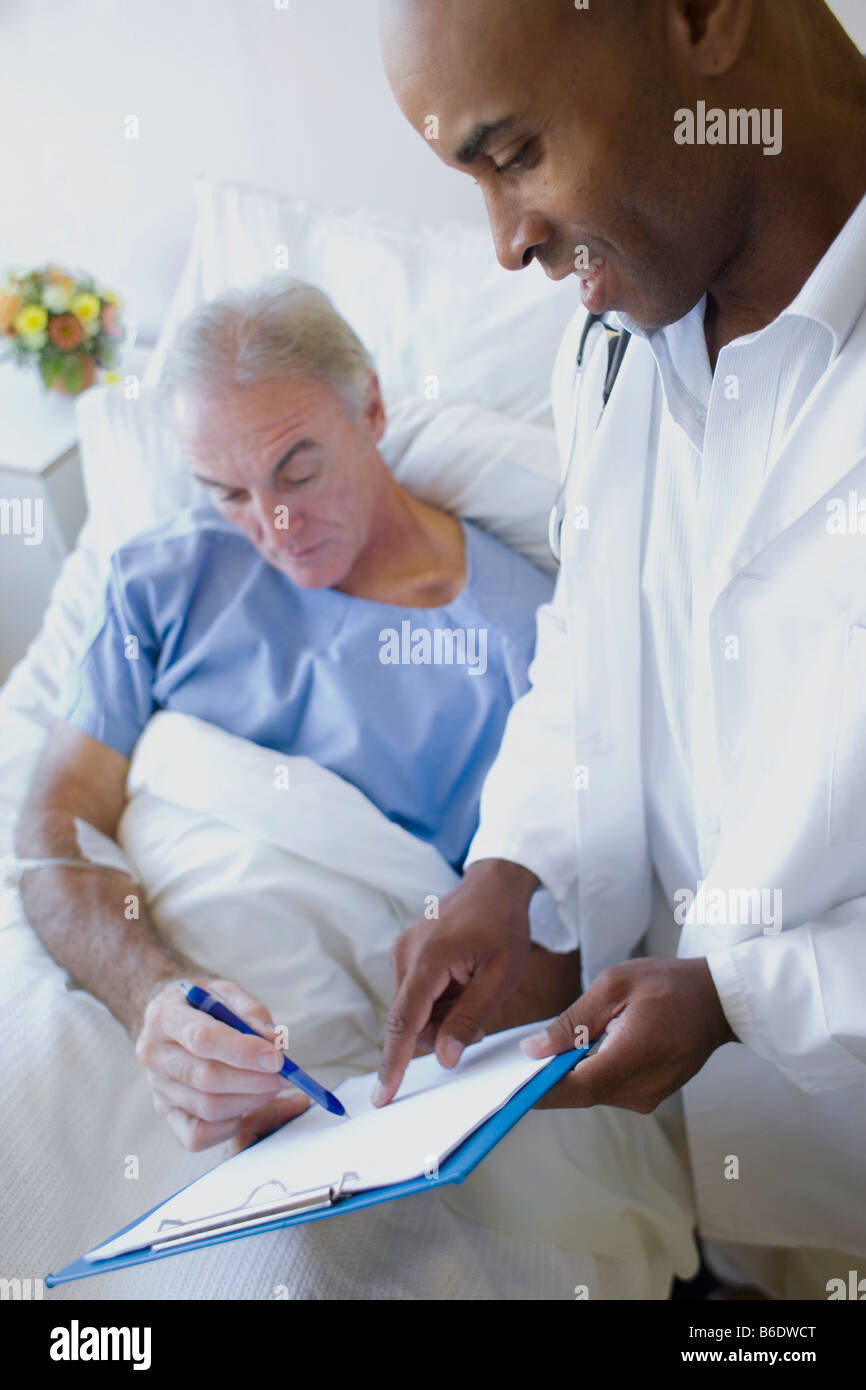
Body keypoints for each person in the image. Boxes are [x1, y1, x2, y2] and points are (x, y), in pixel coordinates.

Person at [377, 0, 866, 1297]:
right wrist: (511, 867)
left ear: (703, 23)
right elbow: (589, 650)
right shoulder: (614, 347)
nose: (505, 240)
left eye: (513, 150)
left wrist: (747, 997)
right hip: (741, 1202)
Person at [15, 276, 574, 1155]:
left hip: (347, 1072)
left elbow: (550, 960)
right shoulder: (160, 580)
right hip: (131, 1015)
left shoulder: (519, 641)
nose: (273, 525)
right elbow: (54, 836)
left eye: (299, 470)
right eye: (228, 493)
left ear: (374, 409)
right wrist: (159, 1002)